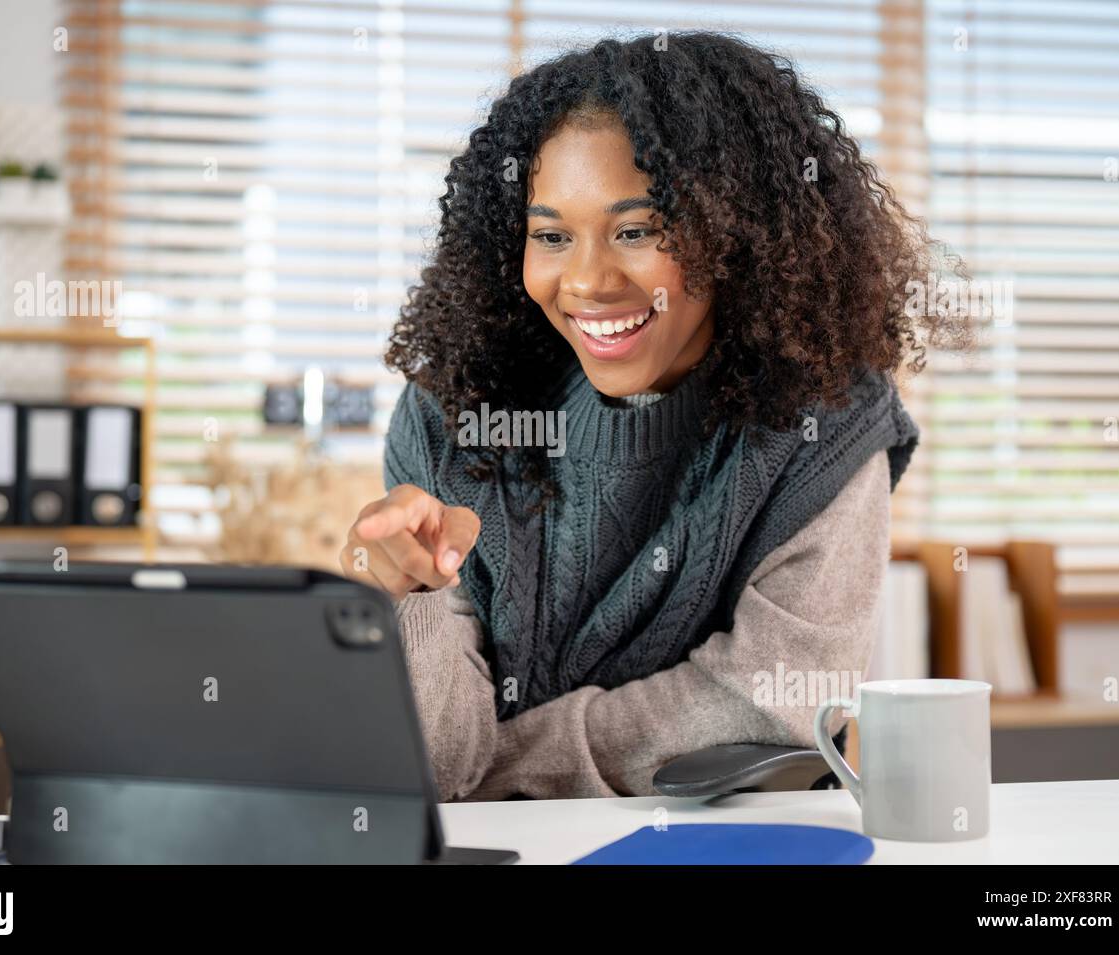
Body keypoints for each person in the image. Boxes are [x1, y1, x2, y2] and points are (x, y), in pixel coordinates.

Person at [339, 31, 971, 800]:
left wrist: (505, 764)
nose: (587, 281)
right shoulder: (454, 412)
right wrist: (409, 601)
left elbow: (771, 701)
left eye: (636, 230)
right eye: (551, 236)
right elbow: (436, 767)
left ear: (739, 235)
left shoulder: (824, 426)